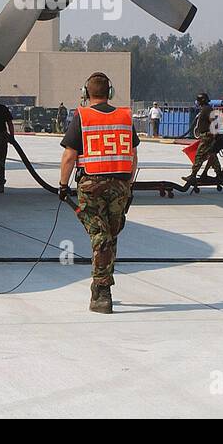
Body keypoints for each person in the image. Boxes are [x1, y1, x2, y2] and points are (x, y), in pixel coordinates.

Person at [58, 72, 139, 314]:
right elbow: (133, 156)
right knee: (109, 237)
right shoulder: (124, 116)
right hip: (120, 186)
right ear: (110, 93)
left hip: (91, 186)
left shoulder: (83, 116)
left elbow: (70, 156)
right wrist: (129, 187)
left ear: (85, 93)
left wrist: (63, 186)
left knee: (101, 238)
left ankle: (102, 291)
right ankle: (102, 285)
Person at [184, 92, 217, 184]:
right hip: (206, 135)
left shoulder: (207, 109)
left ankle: (193, 175)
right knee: (212, 155)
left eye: (198, 100)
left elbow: (213, 121)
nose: (197, 102)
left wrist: (213, 134)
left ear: (202, 101)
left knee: (199, 155)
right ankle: (219, 173)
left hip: (207, 136)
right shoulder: (205, 109)